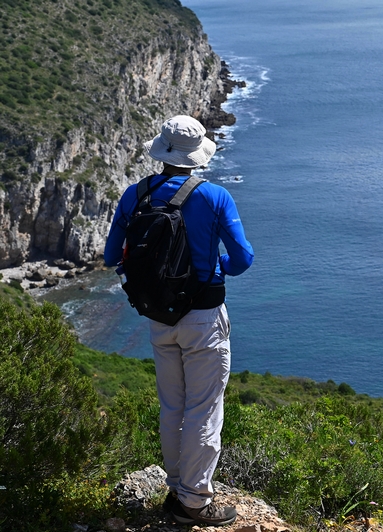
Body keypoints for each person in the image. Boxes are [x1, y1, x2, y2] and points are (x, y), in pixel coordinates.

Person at [104, 115, 254, 526]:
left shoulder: (136, 194)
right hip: (204, 317)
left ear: (164, 152)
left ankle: (177, 486)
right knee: (204, 409)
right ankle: (194, 502)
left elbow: (111, 256)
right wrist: (212, 267)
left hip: (158, 317)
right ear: (197, 155)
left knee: (172, 405)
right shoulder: (215, 196)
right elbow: (243, 259)